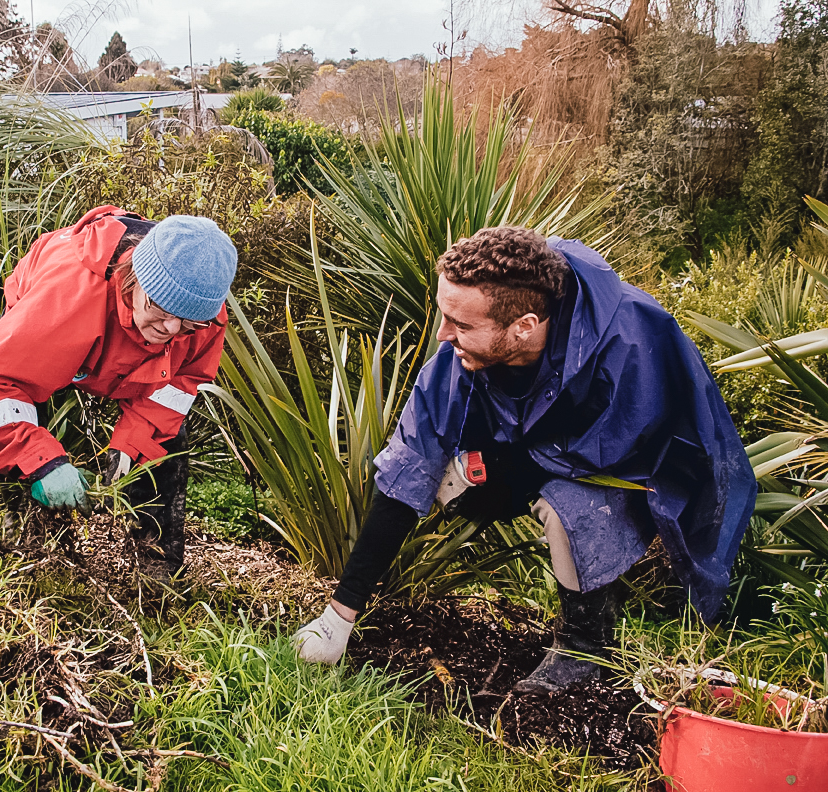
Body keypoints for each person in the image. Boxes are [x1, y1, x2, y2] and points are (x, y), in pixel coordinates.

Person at [294, 226, 756, 694]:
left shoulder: (630, 344)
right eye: (444, 314)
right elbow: (410, 463)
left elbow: (665, 450)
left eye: (462, 324)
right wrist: (340, 616)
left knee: (567, 508)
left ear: (524, 326)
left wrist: (517, 471)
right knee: (446, 481)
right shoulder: (459, 353)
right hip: (532, 443)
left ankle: (585, 647)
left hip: (633, 468)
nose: (442, 333)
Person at [0, 206, 238, 572]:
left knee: (167, 441)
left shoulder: (206, 319)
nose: (170, 328)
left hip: (127, 358)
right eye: (160, 307)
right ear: (136, 277)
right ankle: (27, 548)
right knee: (22, 422)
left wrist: (130, 447)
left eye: (186, 322)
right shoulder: (66, 293)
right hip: (61, 319)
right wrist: (44, 464)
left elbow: (177, 388)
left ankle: (156, 567)